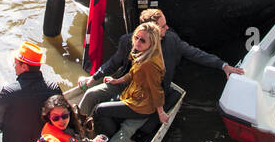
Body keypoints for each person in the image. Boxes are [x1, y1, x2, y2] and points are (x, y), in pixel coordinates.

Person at [79, 7, 239, 116]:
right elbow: (115, 62)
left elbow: (195, 54)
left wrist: (222, 65)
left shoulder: (172, 41)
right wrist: (94, 77)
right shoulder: (129, 41)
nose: (167, 28)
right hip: (127, 84)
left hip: (149, 95)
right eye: (163, 26)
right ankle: (79, 123)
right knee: (91, 94)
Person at [90, 21, 170, 140]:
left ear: (152, 43)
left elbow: (156, 89)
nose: (137, 42)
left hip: (141, 105)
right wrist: (116, 81)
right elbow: (132, 73)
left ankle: (110, 140)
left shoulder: (149, 64)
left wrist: (161, 113)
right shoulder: (142, 54)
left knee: (99, 110)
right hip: (134, 95)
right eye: (136, 38)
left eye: (142, 40)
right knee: (107, 103)